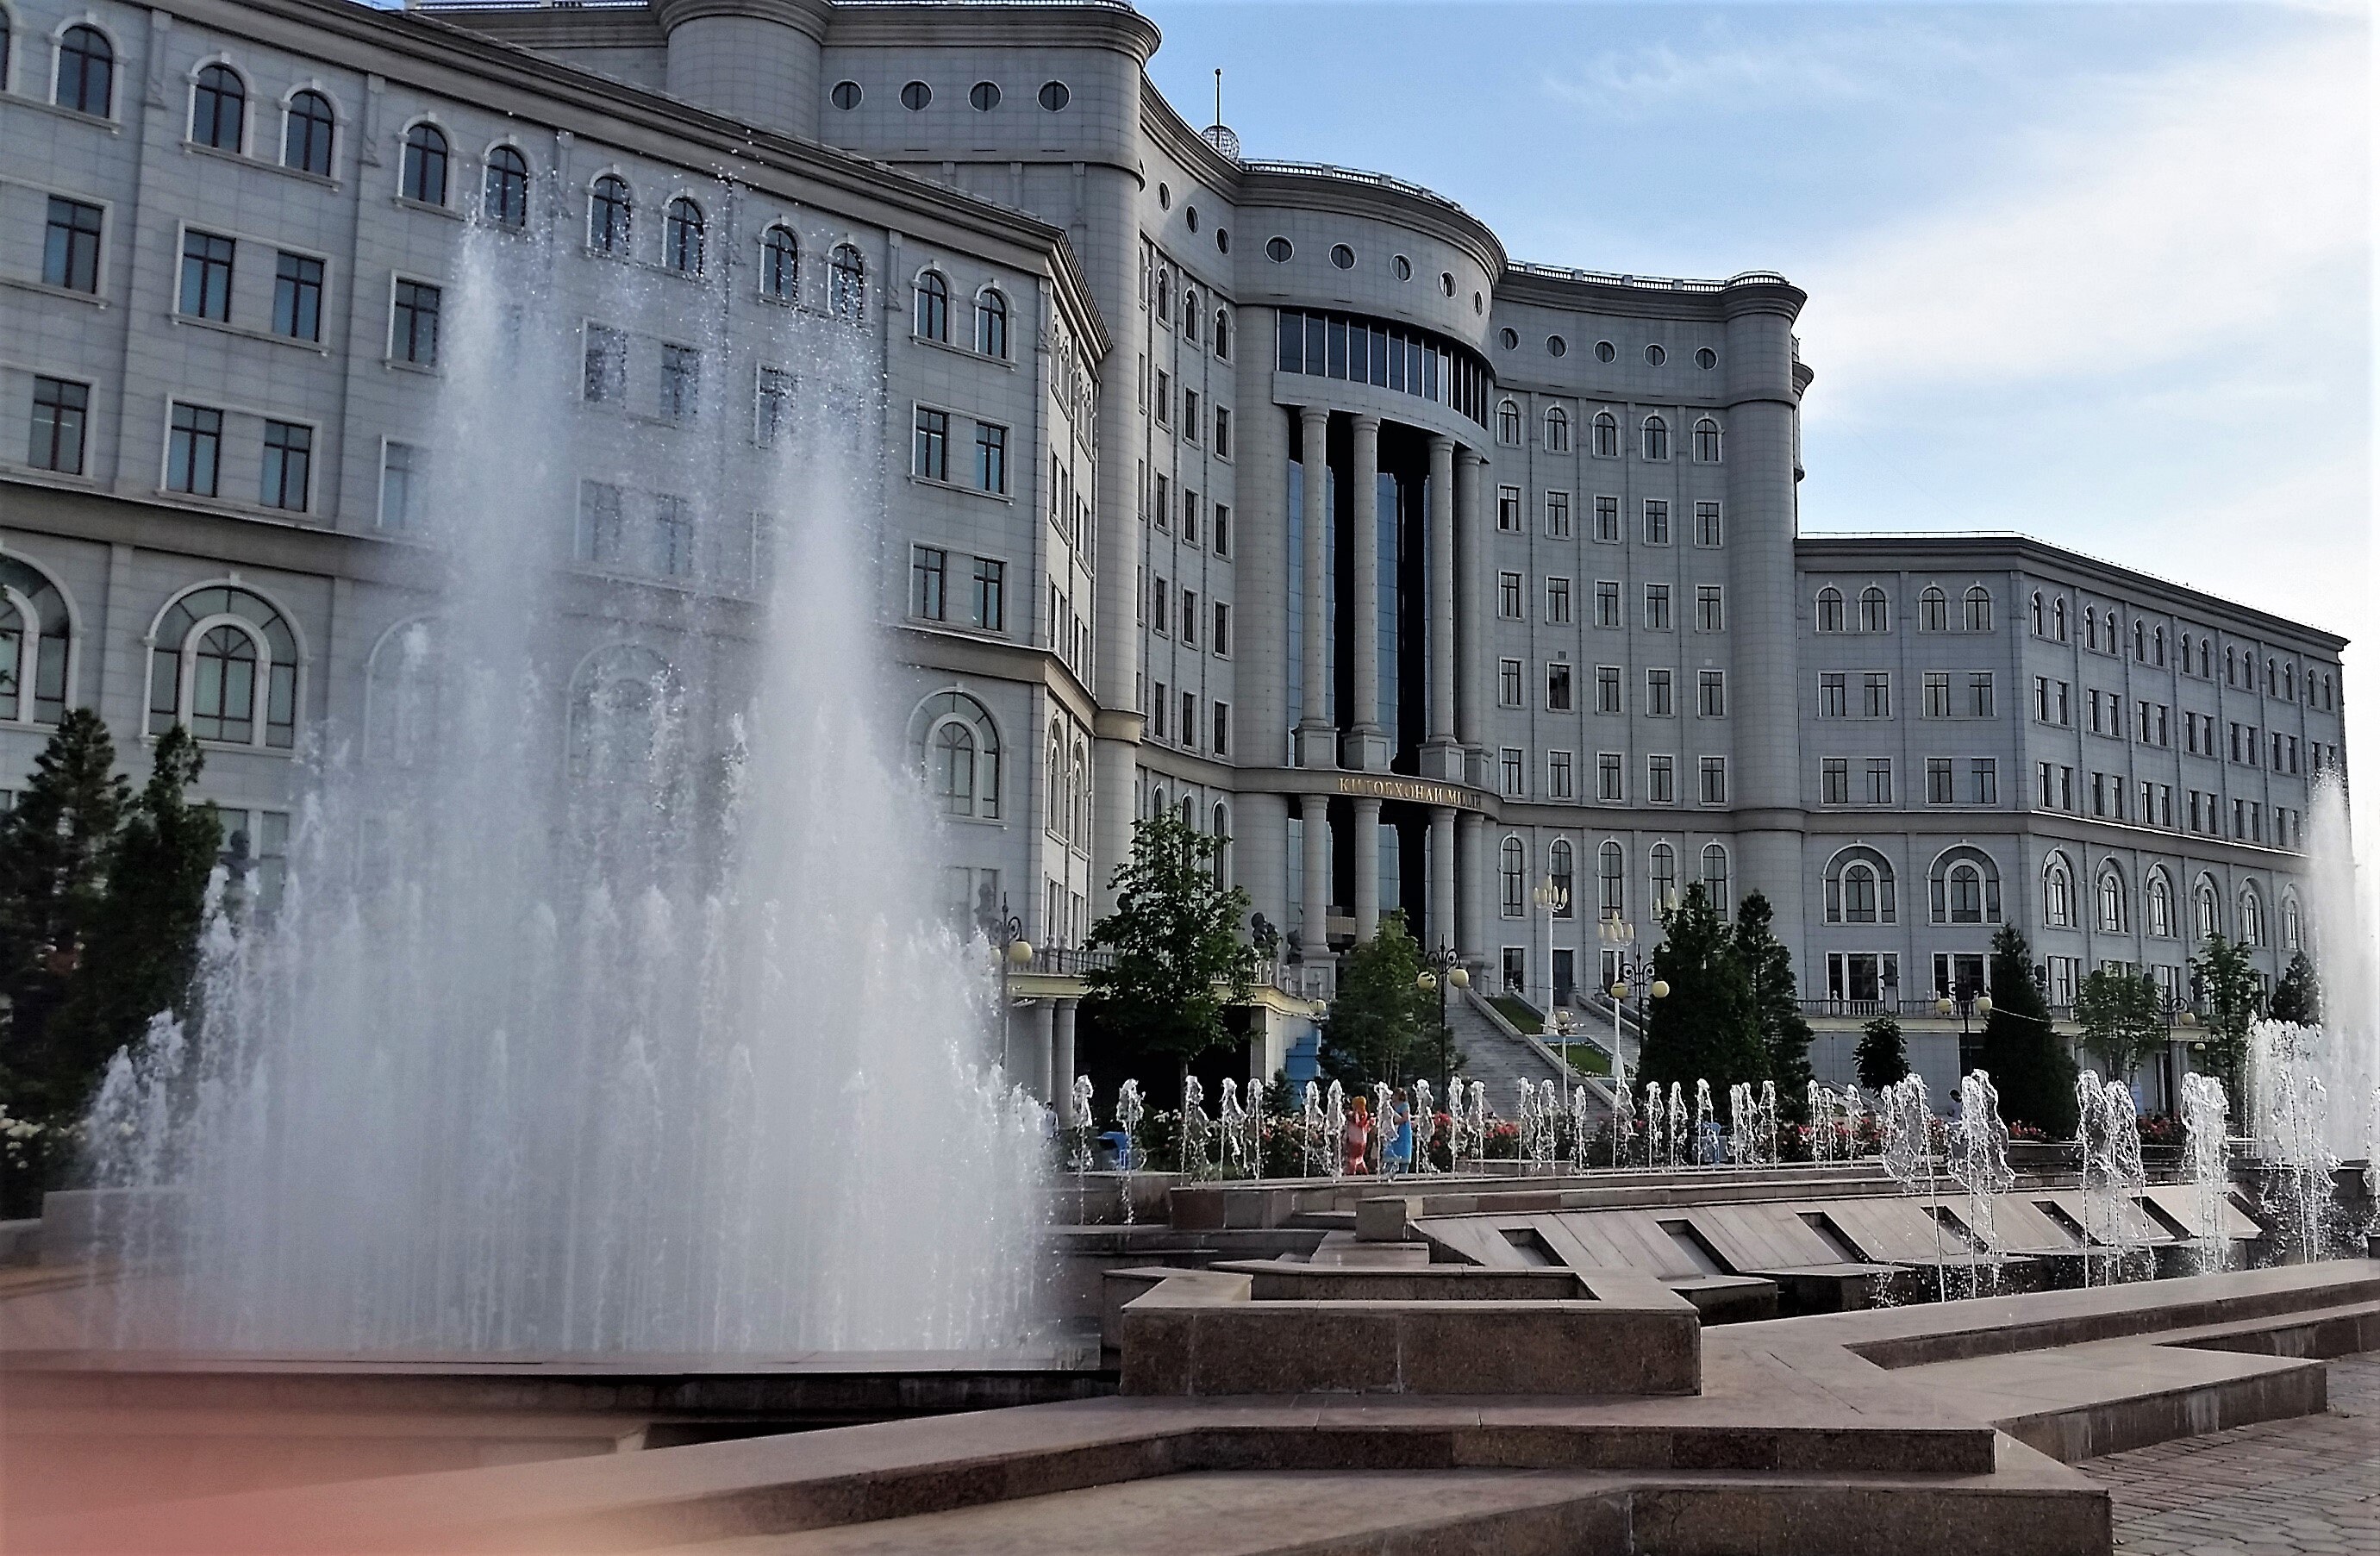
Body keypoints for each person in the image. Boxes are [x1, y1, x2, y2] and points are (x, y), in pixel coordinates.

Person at [1385, 1090, 1415, 1178]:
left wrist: (1395, 1121)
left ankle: (1403, 1172)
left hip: (1403, 1130)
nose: (1392, 1096)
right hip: (1394, 1130)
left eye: (1394, 1095)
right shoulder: (1392, 1106)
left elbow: (1405, 1118)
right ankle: (1389, 1170)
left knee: (1403, 1149)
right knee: (1391, 1148)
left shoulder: (1404, 1105)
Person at [1344, 1093, 1372, 1175]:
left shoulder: (1355, 1115)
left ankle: (1351, 1176)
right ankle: (1366, 1175)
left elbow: (1353, 1120)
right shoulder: (1365, 1115)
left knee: (1352, 1159)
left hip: (1354, 1141)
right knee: (1360, 1159)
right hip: (1363, 1142)